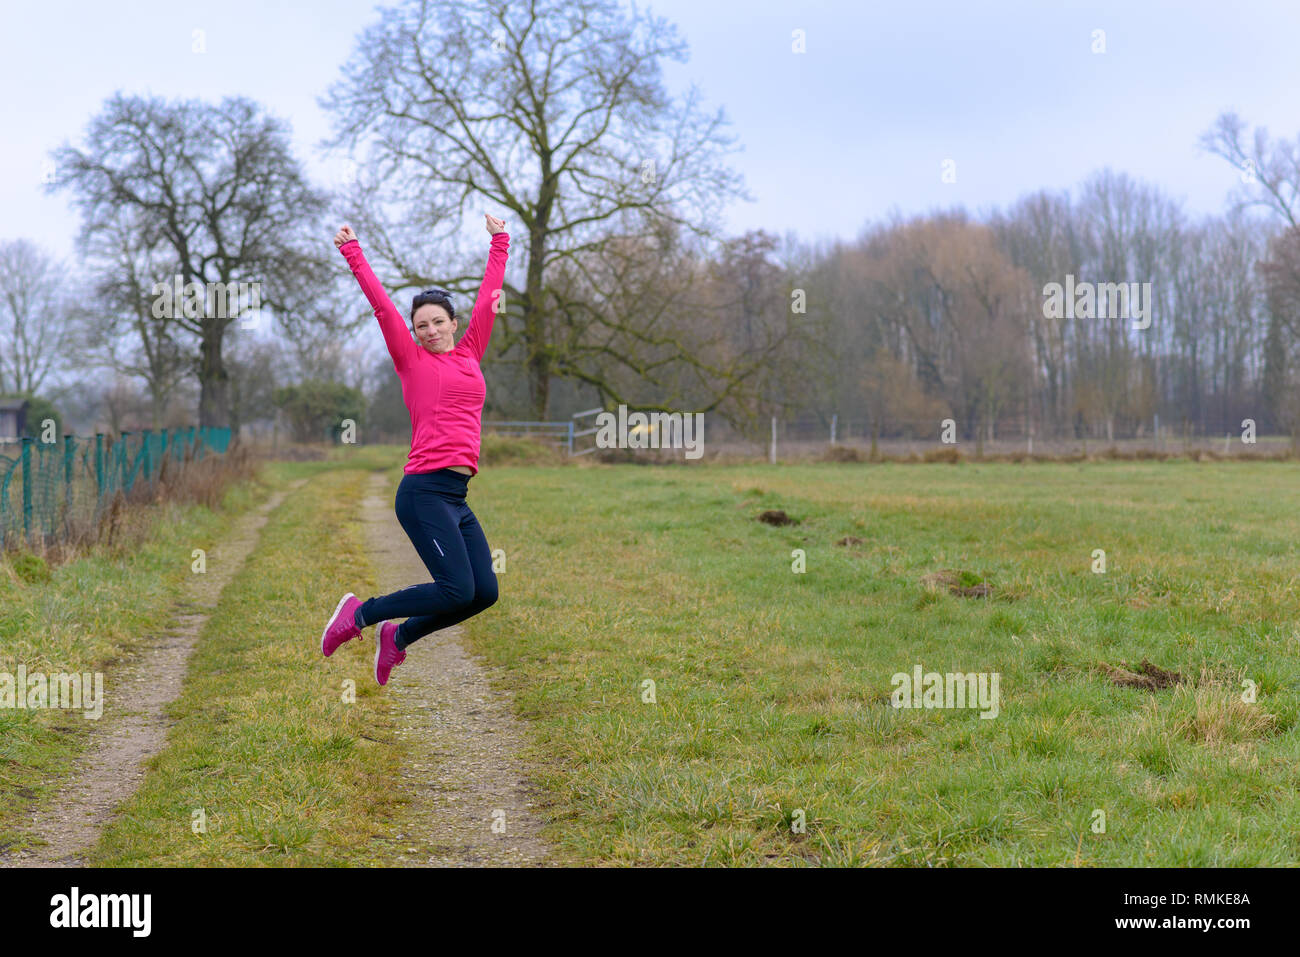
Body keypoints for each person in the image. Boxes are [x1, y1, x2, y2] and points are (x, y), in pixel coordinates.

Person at [320, 214, 510, 686]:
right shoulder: (411, 360)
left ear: (453, 323)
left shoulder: (469, 353)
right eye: (420, 325)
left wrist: (500, 241)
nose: (429, 331)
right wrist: (353, 252)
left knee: (483, 592)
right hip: (423, 490)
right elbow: (383, 307)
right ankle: (361, 613)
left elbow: (489, 298)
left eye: (437, 322)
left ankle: (398, 638)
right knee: (455, 588)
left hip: (455, 494)